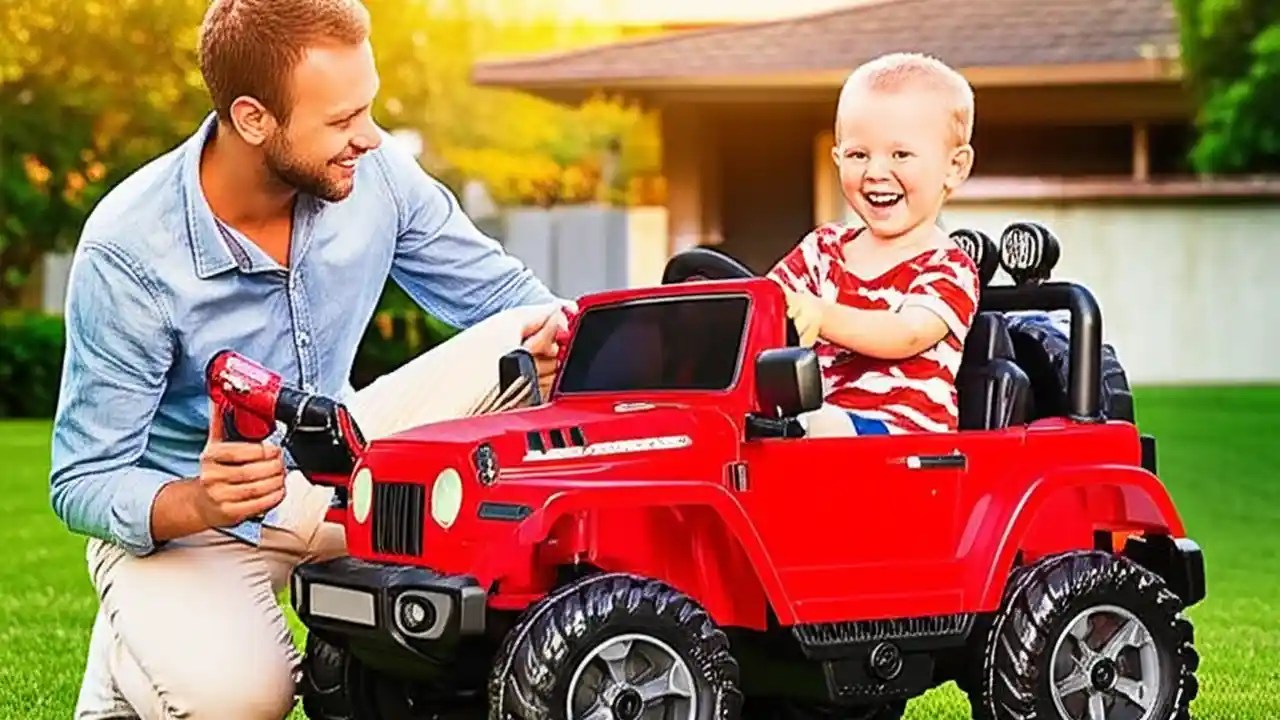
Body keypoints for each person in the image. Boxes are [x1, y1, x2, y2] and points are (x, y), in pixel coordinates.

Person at [49, 0, 570, 717]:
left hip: (339, 464)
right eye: (341, 121)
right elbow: (82, 479)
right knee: (242, 701)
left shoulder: (378, 176)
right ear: (254, 119)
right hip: (193, 525)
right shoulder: (130, 252)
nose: (371, 138)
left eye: (368, 108)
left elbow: (512, 299)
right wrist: (201, 501)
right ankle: (130, 643)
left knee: (534, 335)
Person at [767, 52, 982, 437]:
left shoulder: (949, 267)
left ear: (955, 167)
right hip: (814, 423)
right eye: (858, 155)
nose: (875, 172)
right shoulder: (823, 249)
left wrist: (821, 315)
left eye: (900, 154)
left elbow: (906, 333)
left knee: (817, 428)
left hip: (903, 446)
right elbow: (769, 303)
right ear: (837, 158)